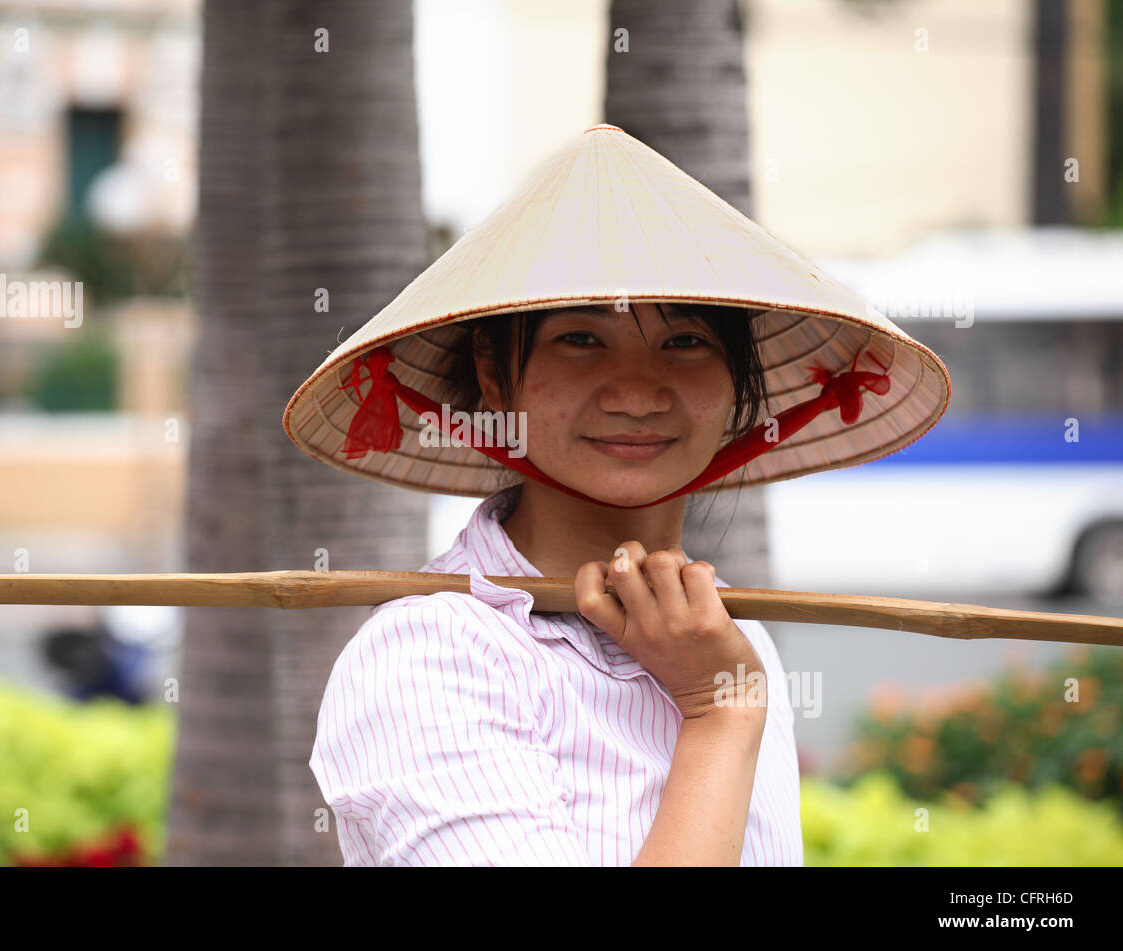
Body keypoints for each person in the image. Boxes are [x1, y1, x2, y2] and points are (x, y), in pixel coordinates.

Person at [283, 124, 951, 865]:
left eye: (687, 341)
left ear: (739, 385)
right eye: (580, 339)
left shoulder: (732, 636)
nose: (637, 393)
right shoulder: (432, 657)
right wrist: (720, 713)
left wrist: (722, 688)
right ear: (495, 374)